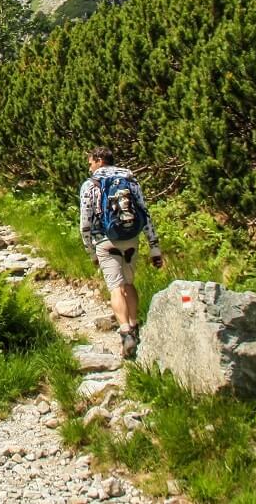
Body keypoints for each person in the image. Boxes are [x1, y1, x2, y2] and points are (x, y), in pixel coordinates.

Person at [79, 146, 164, 358]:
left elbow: (85, 223)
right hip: (130, 238)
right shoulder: (130, 180)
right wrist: (154, 248)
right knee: (128, 283)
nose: (89, 167)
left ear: (99, 160)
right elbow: (144, 213)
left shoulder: (90, 185)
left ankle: (125, 332)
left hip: (104, 240)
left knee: (115, 287)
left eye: (90, 162)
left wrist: (91, 252)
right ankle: (135, 326)